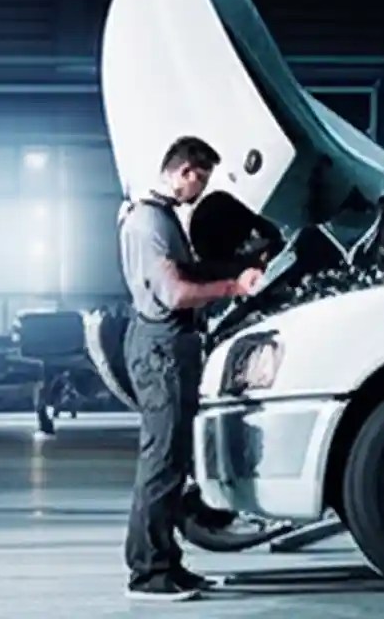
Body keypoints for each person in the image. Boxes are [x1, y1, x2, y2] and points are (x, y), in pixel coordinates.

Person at [117, 135, 263, 601]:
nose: (201, 191)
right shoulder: (150, 221)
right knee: (161, 461)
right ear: (184, 172)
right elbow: (176, 293)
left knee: (173, 460)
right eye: (201, 180)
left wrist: (235, 267)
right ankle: (147, 573)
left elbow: (188, 272)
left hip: (167, 345)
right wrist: (234, 288)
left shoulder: (160, 215)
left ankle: (167, 563)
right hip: (160, 347)